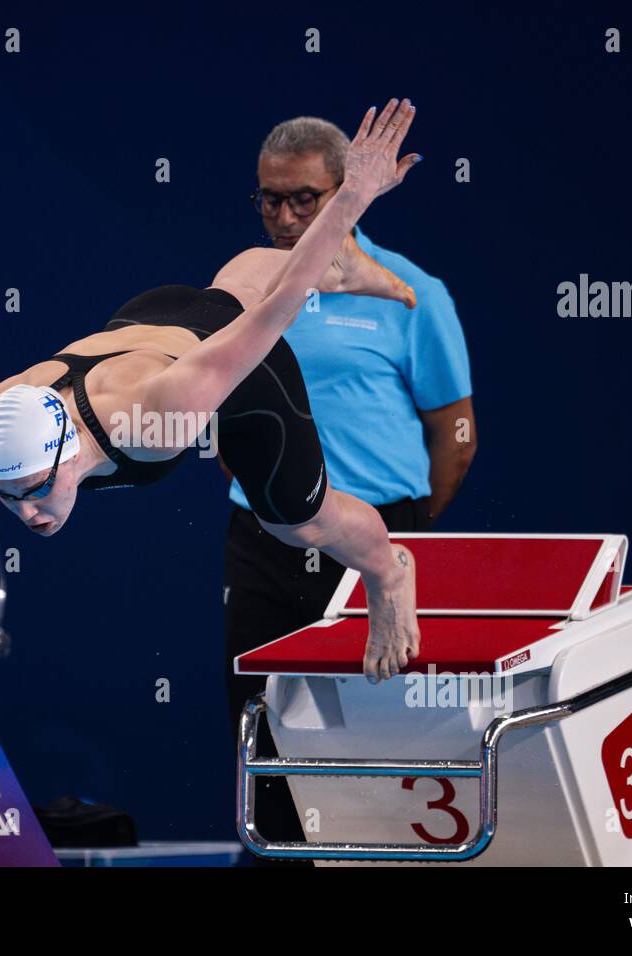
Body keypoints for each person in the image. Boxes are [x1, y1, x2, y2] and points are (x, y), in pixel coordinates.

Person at [0, 100, 423, 681]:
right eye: (7, 496)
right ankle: (342, 266)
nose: (26, 512)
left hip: (221, 366)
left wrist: (351, 198)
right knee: (239, 283)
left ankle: (389, 573)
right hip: (147, 325)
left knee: (300, 523)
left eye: (36, 489)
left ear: (68, 449)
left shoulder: (156, 417)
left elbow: (278, 312)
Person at [222, 115, 475, 856]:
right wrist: (264, 491)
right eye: (270, 200)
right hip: (263, 538)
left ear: (346, 195)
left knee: (386, 727)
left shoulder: (416, 293)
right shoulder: (247, 286)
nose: (287, 217)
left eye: (306, 199)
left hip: (376, 540)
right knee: (260, 726)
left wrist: (409, 522)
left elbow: (455, 433)